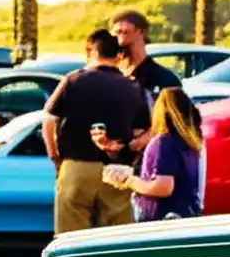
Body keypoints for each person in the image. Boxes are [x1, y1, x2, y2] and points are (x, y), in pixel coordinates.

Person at [43, 29, 150, 235]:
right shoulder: (133, 87)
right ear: (118, 55)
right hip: (118, 169)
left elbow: (49, 119)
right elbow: (141, 131)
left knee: (70, 236)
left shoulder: (74, 81)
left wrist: (55, 156)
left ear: (90, 52)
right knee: (116, 238)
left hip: (77, 166)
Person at [105, 87, 202, 222]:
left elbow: (163, 187)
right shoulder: (190, 144)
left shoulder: (163, 142)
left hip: (162, 219)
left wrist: (130, 181)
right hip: (187, 213)